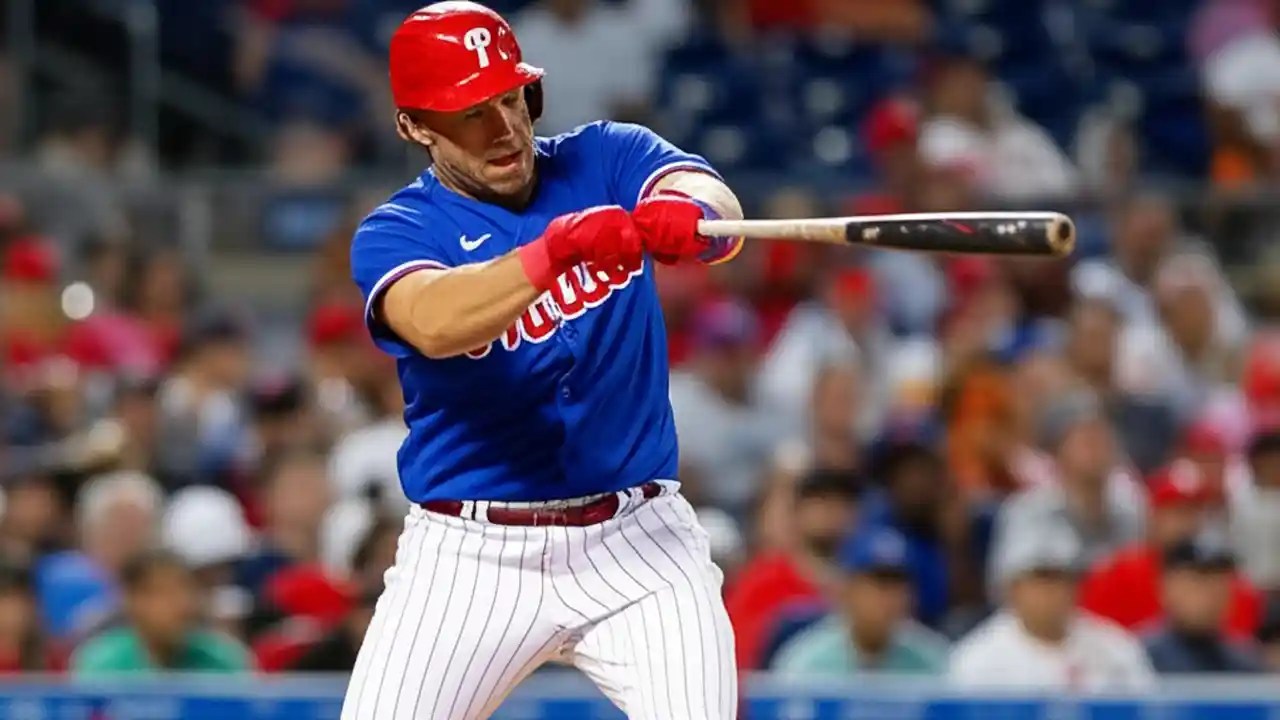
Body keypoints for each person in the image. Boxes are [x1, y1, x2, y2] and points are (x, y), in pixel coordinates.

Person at [344, 3, 745, 718]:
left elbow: (711, 202)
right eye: (470, 112)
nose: (503, 129)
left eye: (511, 98)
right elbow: (433, 320)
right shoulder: (398, 229)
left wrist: (693, 216)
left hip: (639, 541)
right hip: (469, 553)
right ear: (414, 126)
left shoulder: (604, 155)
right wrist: (555, 252)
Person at [950, 525, 1155, 690]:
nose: (1053, 591)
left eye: (1062, 578)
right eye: (1041, 578)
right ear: (1012, 588)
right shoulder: (978, 659)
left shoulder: (1116, 648)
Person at [1081, 461, 1263, 639]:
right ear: (1153, 516)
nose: (1186, 524)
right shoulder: (1116, 575)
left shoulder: (1228, 582)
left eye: (1194, 512)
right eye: (1176, 512)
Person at [770, 526, 949, 677]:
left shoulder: (932, 660)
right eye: (880, 583)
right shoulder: (806, 662)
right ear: (847, 589)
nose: (891, 598)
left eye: (899, 584)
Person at [71, 550, 250, 675]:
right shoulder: (101, 665)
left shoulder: (224, 660)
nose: (183, 604)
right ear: (132, 601)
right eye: (165, 593)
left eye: (187, 591)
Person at [1142, 535, 1266, 673]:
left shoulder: (1246, 662)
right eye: (1199, 581)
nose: (1211, 594)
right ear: (1166, 587)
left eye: (1219, 583)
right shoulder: (1137, 659)